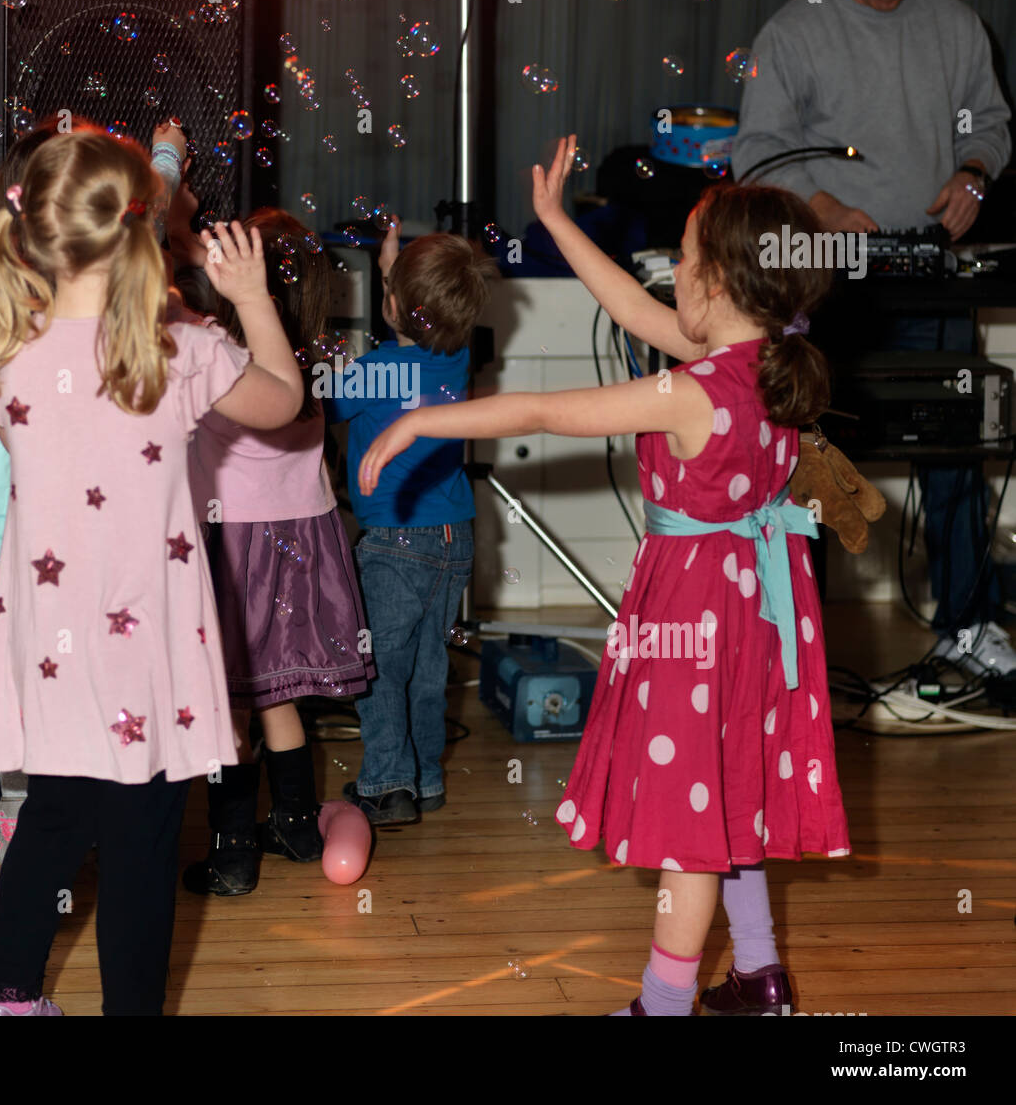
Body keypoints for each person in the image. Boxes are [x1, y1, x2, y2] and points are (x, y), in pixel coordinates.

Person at [359, 140, 851, 1015]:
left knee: (691, 833)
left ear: (718, 286)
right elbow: (628, 303)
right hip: (758, 616)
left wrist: (420, 423)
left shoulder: (694, 391)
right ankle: (761, 975)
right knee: (730, 790)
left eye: (686, 264)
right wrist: (553, 221)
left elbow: (545, 409)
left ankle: (662, 1004)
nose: (672, 279)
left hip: (697, 618)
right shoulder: (767, 363)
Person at [0, 130, 302, 1015]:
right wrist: (252, 298)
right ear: (142, 233)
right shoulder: (176, 352)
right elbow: (283, 402)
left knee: (52, 822)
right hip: (147, 653)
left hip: (50, 648)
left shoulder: (1, 354)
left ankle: (9, 998)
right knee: (142, 844)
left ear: (32, 232)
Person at [732, 0, 1014, 673]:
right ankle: (802, 637)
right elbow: (756, 153)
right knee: (812, 457)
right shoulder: (792, 33)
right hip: (822, 279)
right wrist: (817, 205)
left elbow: (989, 124)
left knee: (953, 451)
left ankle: (967, 626)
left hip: (926, 269)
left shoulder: (955, 27)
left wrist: (974, 172)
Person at [0, 116, 186, 925]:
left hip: (38, 585)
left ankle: (20, 883)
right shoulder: (144, 337)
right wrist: (167, 160)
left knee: (39, 757)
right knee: (93, 776)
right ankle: (34, 861)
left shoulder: (2, 336)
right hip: (110, 593)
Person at [170, 206, 374, 895]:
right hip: (304, 544)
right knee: (276, 695)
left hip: (236, 546)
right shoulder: (311, 366)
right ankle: (290, 823)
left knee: (229, 703)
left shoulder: (221, 359)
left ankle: (231, 853)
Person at [329, 219, 495, 824]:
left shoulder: (371, 371)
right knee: (428, 668)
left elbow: (317, 407)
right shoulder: (458, 358)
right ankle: (425, 778)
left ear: (392, 305)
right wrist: (397, 281)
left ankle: (386, 784)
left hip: (397, 543)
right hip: (455, 539)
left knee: (380, 667)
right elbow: (424, 326)